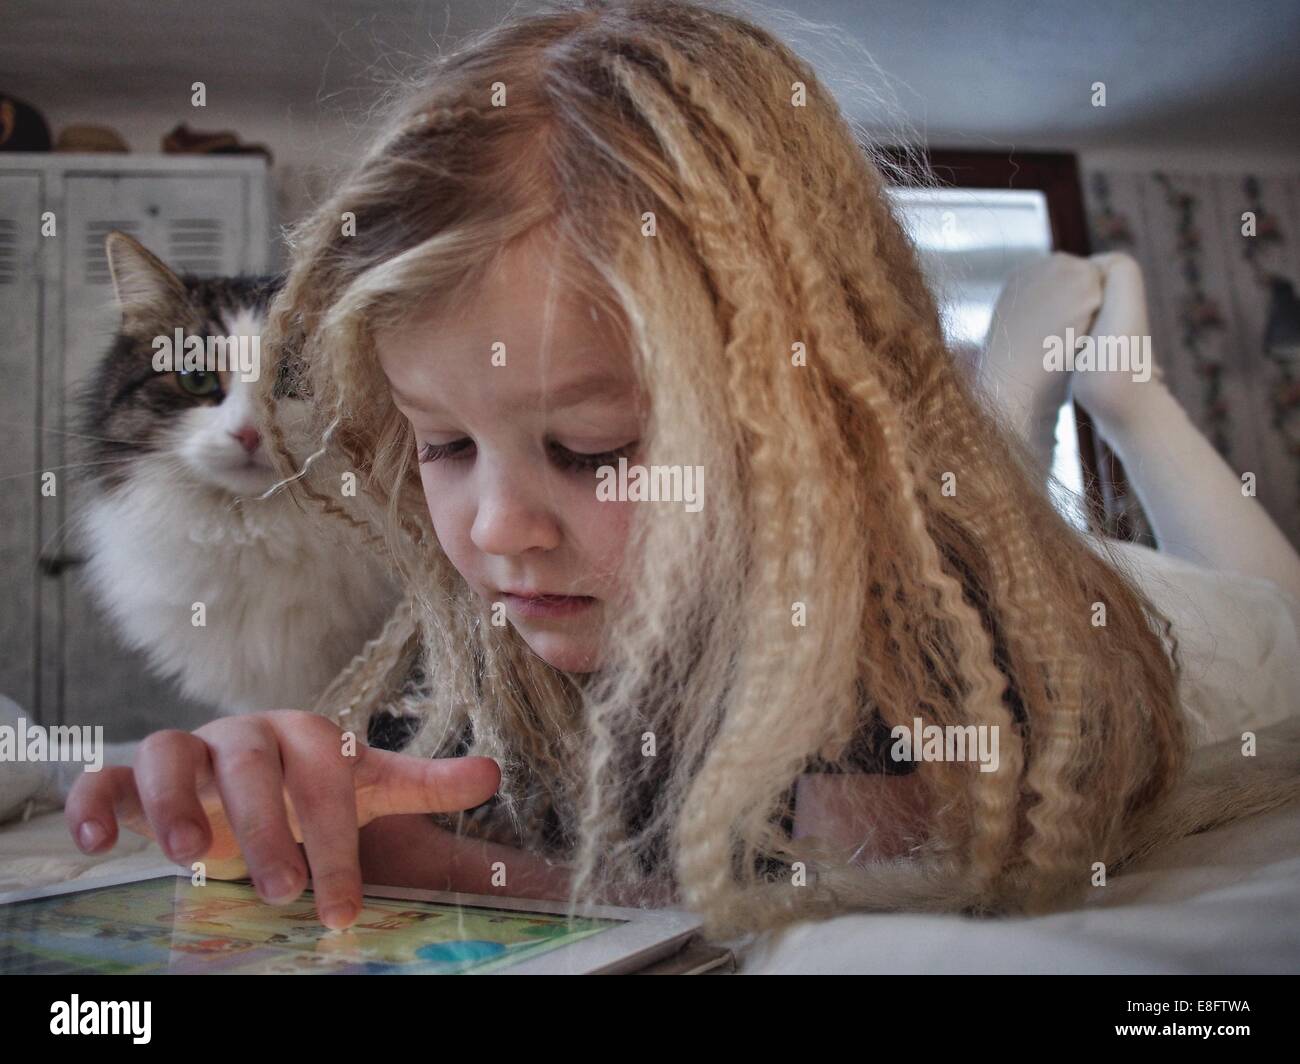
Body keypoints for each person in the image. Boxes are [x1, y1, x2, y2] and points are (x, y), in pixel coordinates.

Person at [64, 0, 1299, 939]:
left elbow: (810, 915)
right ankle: (1013, 407)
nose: (494, 530)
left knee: (1269, 611)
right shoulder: (496, 624)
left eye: (592, 448)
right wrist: (303, 786)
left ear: (802, 429)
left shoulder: (917, 640)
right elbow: (413, 809)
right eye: (442, 443)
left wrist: (457, 865)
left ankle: (1119, 401)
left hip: (1201, 631)